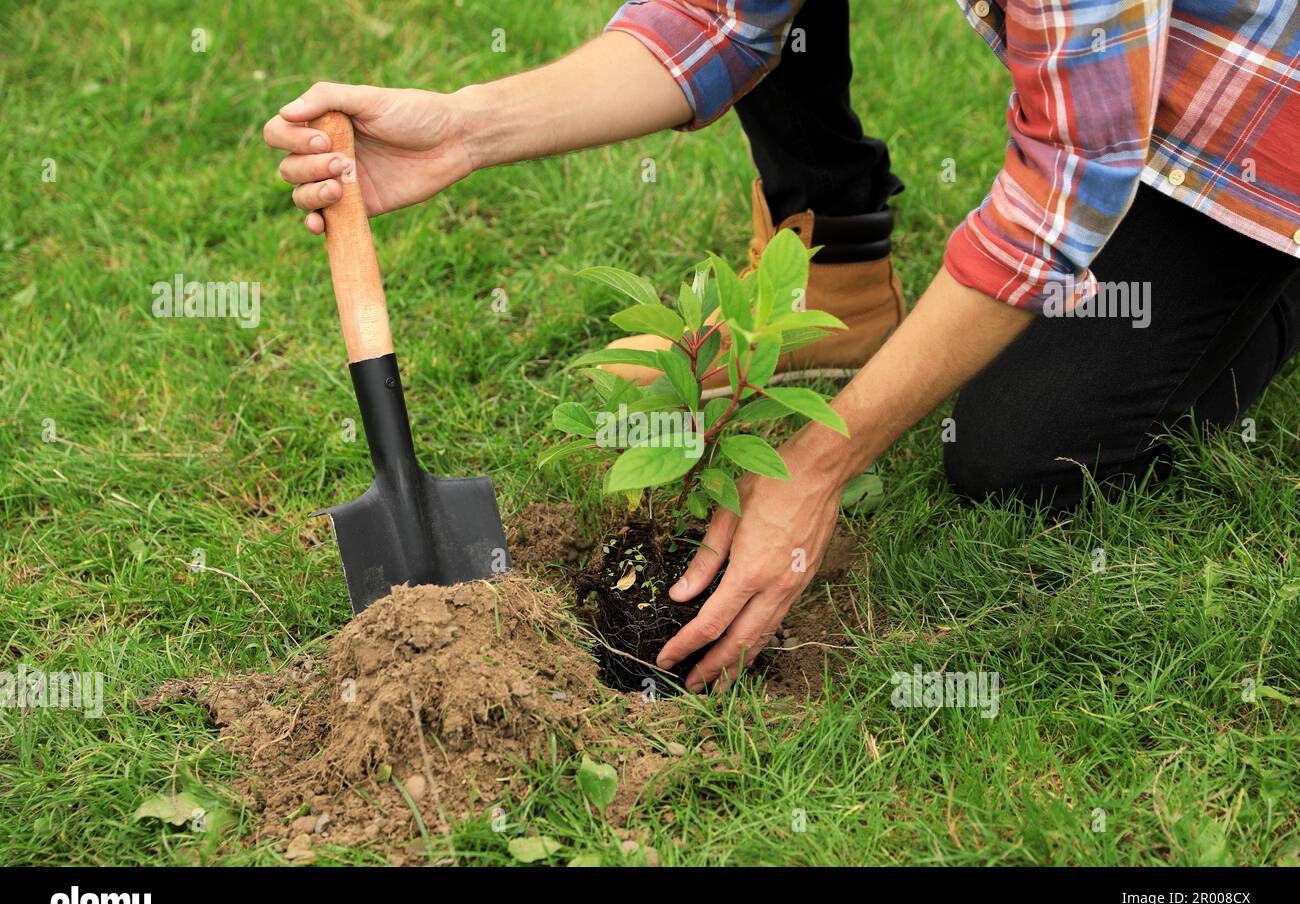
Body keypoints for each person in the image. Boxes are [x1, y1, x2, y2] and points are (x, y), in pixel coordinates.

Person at [265, 0, 1300, 692]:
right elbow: (723, 16)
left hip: (1258, 115)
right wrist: (461, 127)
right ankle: (839, 272)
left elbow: (1068, 180)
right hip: (1133, 75)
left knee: (1020, 452)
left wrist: (816, 461)